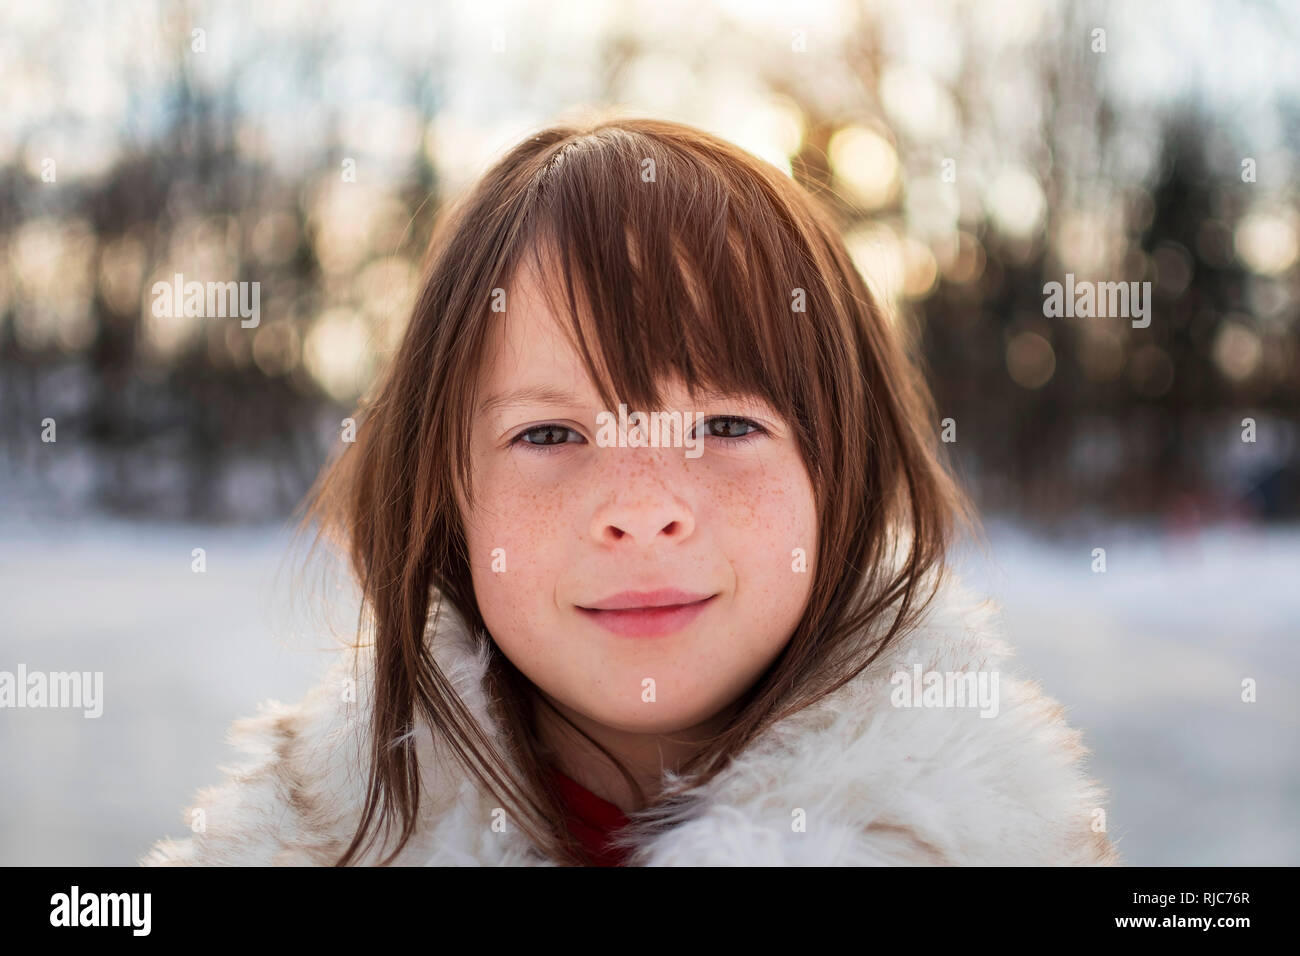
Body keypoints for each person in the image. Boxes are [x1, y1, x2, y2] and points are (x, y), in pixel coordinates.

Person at [142, 115, 1118, 866]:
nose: (643, 503)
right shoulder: (300, 844)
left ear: (843, 476)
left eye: (725, 426)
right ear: (445, 492)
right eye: (551, 432)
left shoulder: (1007, 847)